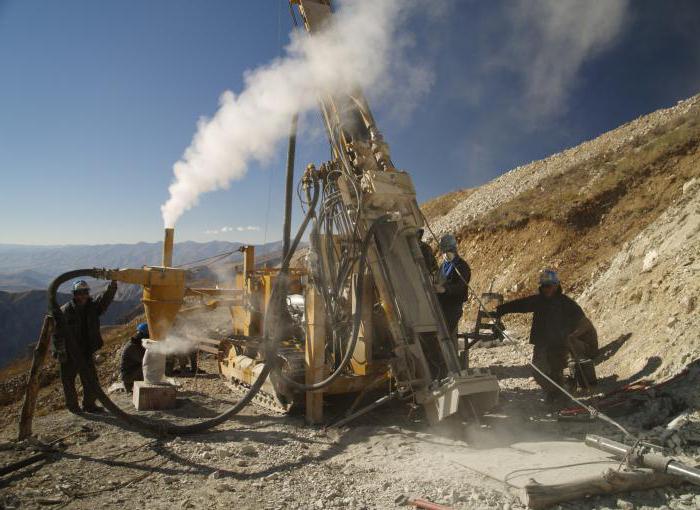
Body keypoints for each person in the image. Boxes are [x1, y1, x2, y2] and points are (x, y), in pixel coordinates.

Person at [496, 269, 596, 402]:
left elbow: (585, 323)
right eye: (543, 286)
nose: (545, 289)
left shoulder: (566, 303)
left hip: (559, 345)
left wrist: (573, 337)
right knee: (538, 372)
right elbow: (521, 304)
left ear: (555, 285)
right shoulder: (538, 301)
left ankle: (560, 394)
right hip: (541, 344)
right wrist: (501, 310)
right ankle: (559, 391)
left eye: (548, 286)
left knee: (555, 372)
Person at [52, 279, 117, 413]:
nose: (82, 296)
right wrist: (61, 352)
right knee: (68, 381)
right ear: (74, 294)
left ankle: (89, 405)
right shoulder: (65, 311)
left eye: (85, 292)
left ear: (88, 293)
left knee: (91, 380)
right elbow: (57, 334)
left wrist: (112, 287)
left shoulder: (92, 308)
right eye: (79, 293)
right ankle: (73, 407)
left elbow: (104, 301)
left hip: (86, 350)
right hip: (70, 353)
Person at [434, 234, 471, 342]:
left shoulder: (462, 266)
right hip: (440, 306)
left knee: (443, 336)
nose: (445, 254)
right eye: (443, 252)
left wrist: (445, 289)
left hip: (453, 307)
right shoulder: (443, 266)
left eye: (448, 251)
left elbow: (460, 286)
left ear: (454, 250)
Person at [120, 322, 148, 392]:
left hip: (131, 374)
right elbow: (145, 360)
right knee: (148, 366)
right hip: (128, 377)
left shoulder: (135, 344)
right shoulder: (133, 347)